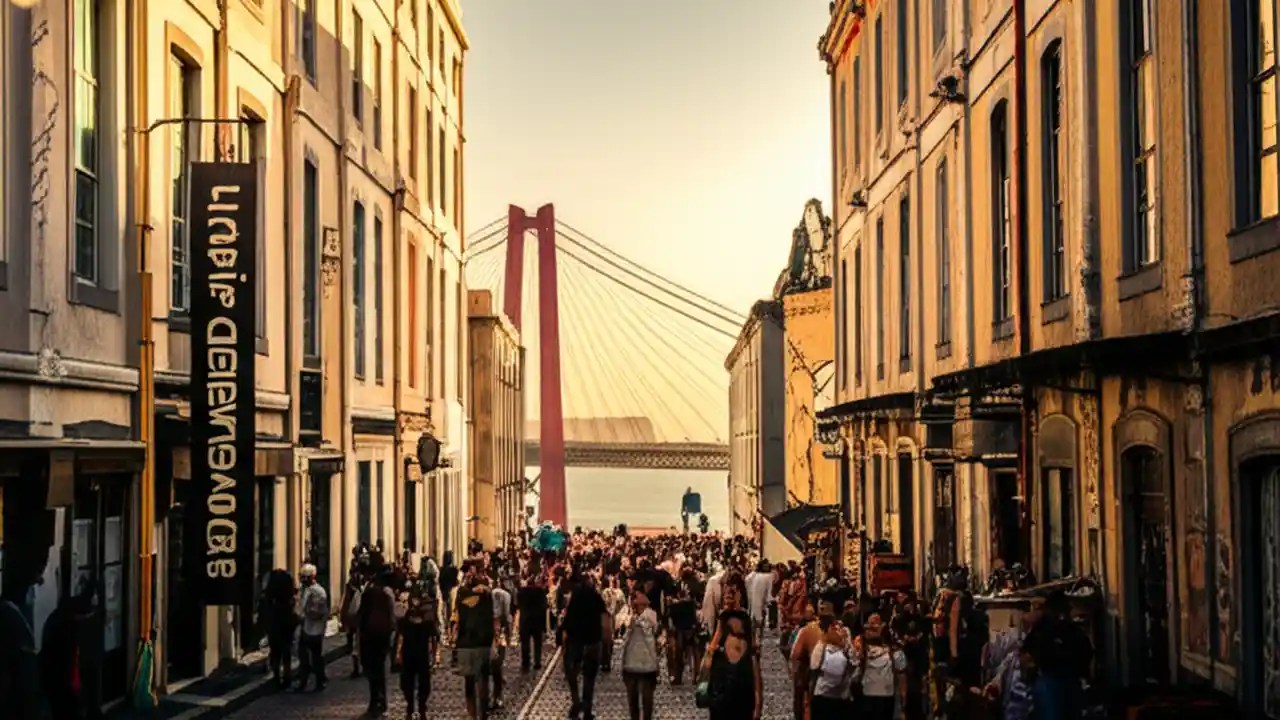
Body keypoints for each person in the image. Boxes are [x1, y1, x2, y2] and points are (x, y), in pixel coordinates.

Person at [700, 594, 761, 720]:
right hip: (723, 702)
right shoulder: (718, 651)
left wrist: (757, 704)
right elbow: (705, 667)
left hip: (741, 702)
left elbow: (757, 681)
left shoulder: (749, 655)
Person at [561, 570, 608, 720]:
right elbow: (604, 616)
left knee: (572, 674)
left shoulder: (574, 597)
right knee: (589, 677)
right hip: (593, 640)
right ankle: (586, 708)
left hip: (575, 640)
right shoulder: (595, 596)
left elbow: (567, 620)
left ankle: (576, 703)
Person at [454, 560, 497, 720]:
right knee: (483, 678)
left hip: (466, 642)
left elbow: (458, 616)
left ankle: (472, 714)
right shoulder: (487, 596)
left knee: (469, 681)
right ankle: (483, 714)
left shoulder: (462, 594)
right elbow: (492, 617)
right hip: (483, 641)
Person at [850, 613, 908, 720]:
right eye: (870, 628)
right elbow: (853, 672)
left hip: (886, 699)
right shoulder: (860, 651)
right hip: (866, 697)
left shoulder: (894, 652)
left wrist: (903, 700)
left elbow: (901, 677)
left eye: (876, 627)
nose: (873, 630)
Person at [357, 570, 397, 716]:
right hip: (382, 636)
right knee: (380, 668)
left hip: (369, 637)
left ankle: (375, 700)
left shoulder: (368, 594)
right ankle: (382, 700)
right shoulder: (387, 595)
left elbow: (360, 615)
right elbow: (392, 617)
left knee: (371, 669)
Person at [398, 579, 437, 719]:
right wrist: (399, 653)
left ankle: (421, 707)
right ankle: (410, 707)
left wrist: (435, 655)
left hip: (422, 653)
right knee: (407, 683)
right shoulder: (406, 615)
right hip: (409, 652)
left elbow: (433, 637)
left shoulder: (428, 615)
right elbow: (401, 635)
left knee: (423, 684)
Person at [620, 588, 660, 720]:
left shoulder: (651, 615)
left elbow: (652, 629)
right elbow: (622, 633)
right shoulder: (627, 614)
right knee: (633, 700)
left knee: (647, 700)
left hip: (648, 664)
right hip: (630, 664)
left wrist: (639, 616)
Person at [808, 613, 854, 720]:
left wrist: (847, 642)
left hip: (840, 698)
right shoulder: (821, 647)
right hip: (822, 697)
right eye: (834, 629)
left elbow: (854, 664)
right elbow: (813, 670)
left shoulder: (846, 650)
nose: (837, 632)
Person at [260, 569, 298, 689]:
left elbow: (264, 614)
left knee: (275, 653)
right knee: (286, 653)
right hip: (286, 627)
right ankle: (287, 678)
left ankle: (277, 678)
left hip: (275, 628)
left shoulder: (269, 601)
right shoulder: (289, 600)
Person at [295, 563, 329, 692]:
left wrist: (306, 614)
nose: (303, 580)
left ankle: (319, 681)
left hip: (315, 629)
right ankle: (304, 682)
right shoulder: (305, 590)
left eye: (305, 577)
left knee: (316, 657)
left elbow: (317, 612)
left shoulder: (318, 592)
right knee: (303, 656)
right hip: (306, 627)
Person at [517, 566, 548, 672]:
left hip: (525, 620)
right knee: (537, 643)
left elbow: (518, 605)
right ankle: (537, 662)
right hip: (537, 621)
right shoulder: (540, 592)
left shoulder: (521, 592)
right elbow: (544, 607)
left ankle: (526, 662)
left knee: (525, 643)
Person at [490, 572, 513, 712]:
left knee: (494, 666)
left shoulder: (490, 594)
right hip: (499, 633)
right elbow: (507, 616)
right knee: (497, 666)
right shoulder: (506, 595)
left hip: (492, 633)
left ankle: (494, 695)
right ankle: (497, 695)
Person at [744, 560, 773, 649]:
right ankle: (754, 639)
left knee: (759, 621)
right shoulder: (757, 575)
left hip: (760, 600)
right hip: (754, 599)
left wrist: (768, 599)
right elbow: (747, 580)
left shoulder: (767, 576)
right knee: (754, 621)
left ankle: (758, 638)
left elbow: (769, 589)